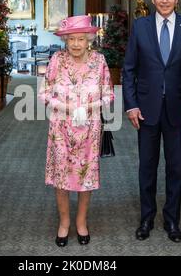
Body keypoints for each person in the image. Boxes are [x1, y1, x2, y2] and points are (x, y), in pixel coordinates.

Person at [122, 0, 181, 243]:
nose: (165, 0)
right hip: (146, 110)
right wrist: (131, 105)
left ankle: (172, 221)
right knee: (147, 167)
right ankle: (146, 219)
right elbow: (129, 69)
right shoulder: (140, 27)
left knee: (175, 168)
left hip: (179, 112)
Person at [38, 15, 114, 247]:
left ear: (89, 39)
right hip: (61, 128)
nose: (76, 44)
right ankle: (64, 222)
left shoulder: (99, 61)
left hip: (89, 129)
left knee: (85, 176)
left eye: (81, 39)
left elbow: (109, 94)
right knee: (61, 176)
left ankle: (81, 222)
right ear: (66, 40)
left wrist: (89, 107)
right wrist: (67, 107)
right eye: (72, 39)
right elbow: (43, 94)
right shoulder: (56, 60)